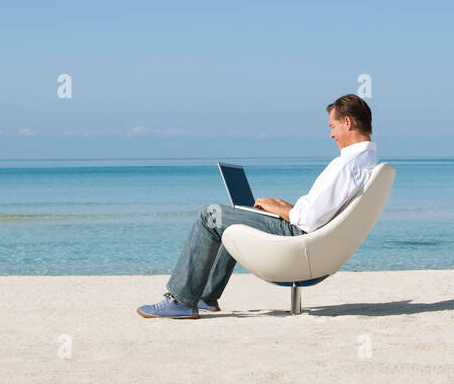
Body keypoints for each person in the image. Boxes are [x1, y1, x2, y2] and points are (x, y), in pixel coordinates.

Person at [137, 94, 377, 320]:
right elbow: (322, 211)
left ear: (347, 122)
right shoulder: (363, 161)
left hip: (300, 236)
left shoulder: (347, 165)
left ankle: (181, 301)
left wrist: (281, 210)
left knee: (210, 215)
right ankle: (206, 296)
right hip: (309, 233)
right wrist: (283, 206)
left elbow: (309, 219)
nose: (332, 135)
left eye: (332, 127)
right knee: (236, 219)